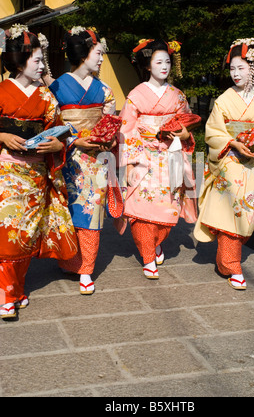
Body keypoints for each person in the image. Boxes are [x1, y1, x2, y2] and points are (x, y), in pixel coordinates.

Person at [0, 24, 77, 319]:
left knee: (26, 235)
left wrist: (57, 143)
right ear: (19, 61)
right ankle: (6, 295)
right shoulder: (2, 92)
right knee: (7, 234)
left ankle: (16, 290)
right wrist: (2, 136)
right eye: (37, 60)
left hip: (35, 175)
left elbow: (61, 132)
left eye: (43, 60)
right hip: (6, 171)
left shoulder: (46, 98)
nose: (42, 65)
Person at [193, 38, 254, 290]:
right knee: (230, 211)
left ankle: (226, 259)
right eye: (232, 69)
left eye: (241, 68)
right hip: (231, 161)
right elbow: (213, 131)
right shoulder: (224, 100)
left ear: (253, 68)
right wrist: (232, 143)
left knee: (248, 212)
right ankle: (232, 264)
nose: (235, 73)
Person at [118, 39, 197, 279]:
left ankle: (155, 242)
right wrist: (130, 163)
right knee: (141, 207)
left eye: (168, 62)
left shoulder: (177, 96)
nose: (165, 66)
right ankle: (148, 256)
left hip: (171, 154)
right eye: (158, 62)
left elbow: (186, 122)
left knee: (168, 208)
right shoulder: (136, 95)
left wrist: (185, 134)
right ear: (147, 66)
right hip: (144, 156)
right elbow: (127, 128)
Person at [49, 26, 117, 295]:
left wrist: (108, 138)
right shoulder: (56, 87)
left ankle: (86, 268)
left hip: (96, 157)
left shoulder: (104, 89)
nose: (101, 59)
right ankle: (69, 260)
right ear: (83, 53)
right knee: (68, 209)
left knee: (92, 210)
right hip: (67, 154)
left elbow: (110, 121)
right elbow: (52, 123)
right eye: (98, 53)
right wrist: (75, 140)